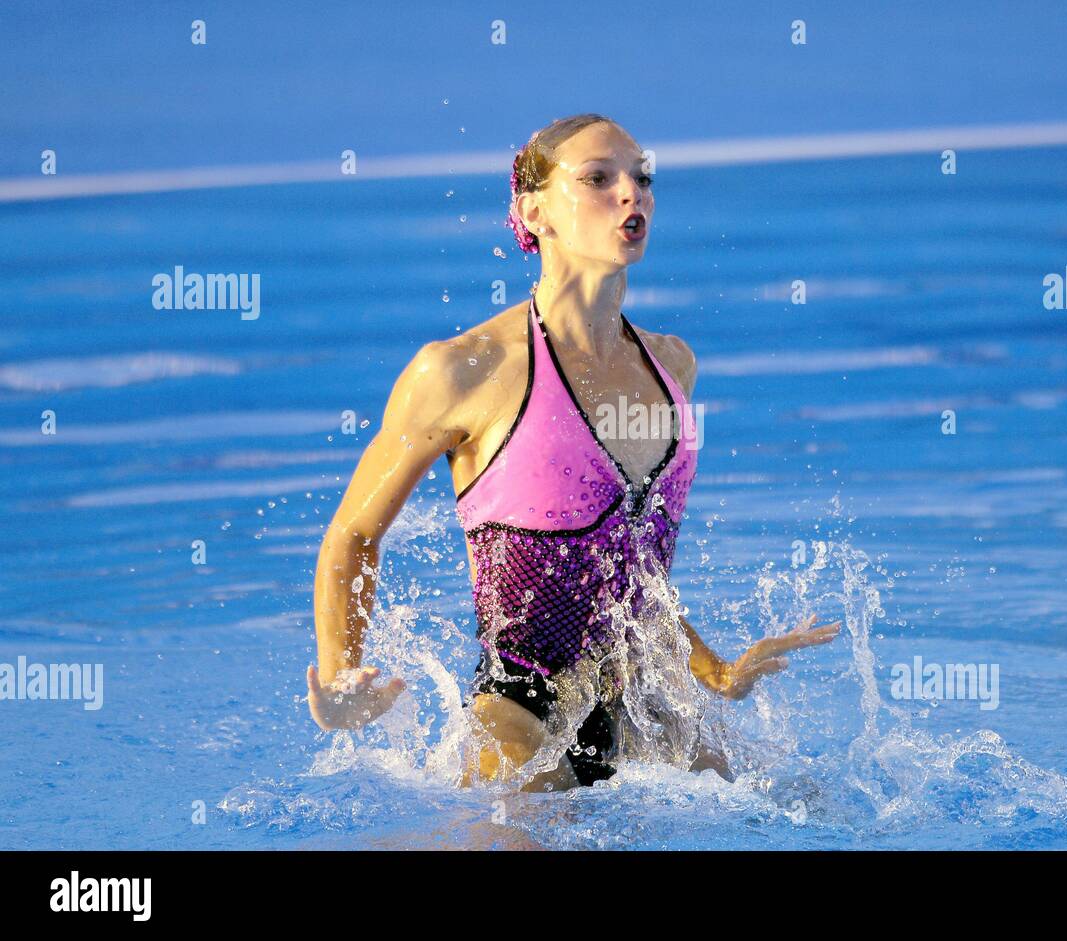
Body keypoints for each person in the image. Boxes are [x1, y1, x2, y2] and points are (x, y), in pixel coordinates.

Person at [306, 113, 840, 791]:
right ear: (535, 212)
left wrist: (719, 672)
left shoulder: (672, 366)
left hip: (654, 708)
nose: (632, 195)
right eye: (598, 179)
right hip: (522, 714)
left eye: (641, 178)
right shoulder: (465, 370)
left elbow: (630, 569)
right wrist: (339, 672)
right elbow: (352, 533)